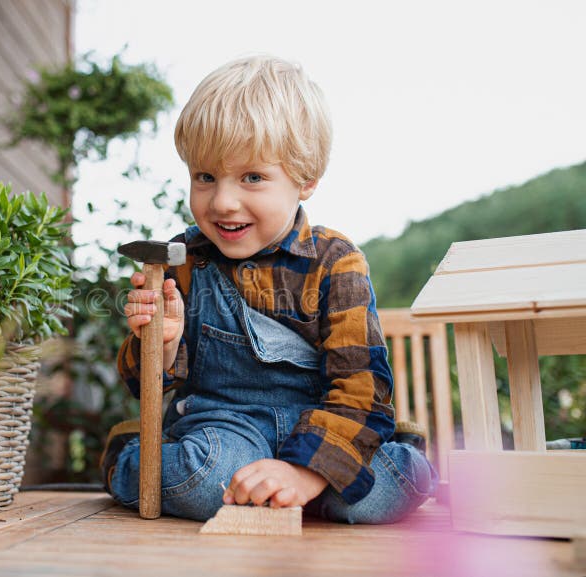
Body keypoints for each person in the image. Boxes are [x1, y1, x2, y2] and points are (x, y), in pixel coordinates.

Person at [101, 54, 437, 523]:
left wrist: (309, 471)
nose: (222, 201)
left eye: (252, 177)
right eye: (205, 177)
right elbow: (143, 383)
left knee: (384, 493)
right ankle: (129, 455)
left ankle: (312, 480)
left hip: (319, 421)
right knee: (203, 481)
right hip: (224, 429)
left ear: (306, 180)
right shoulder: (183, 261)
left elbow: (362, 387)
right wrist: (162, 339)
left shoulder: (335, 262)